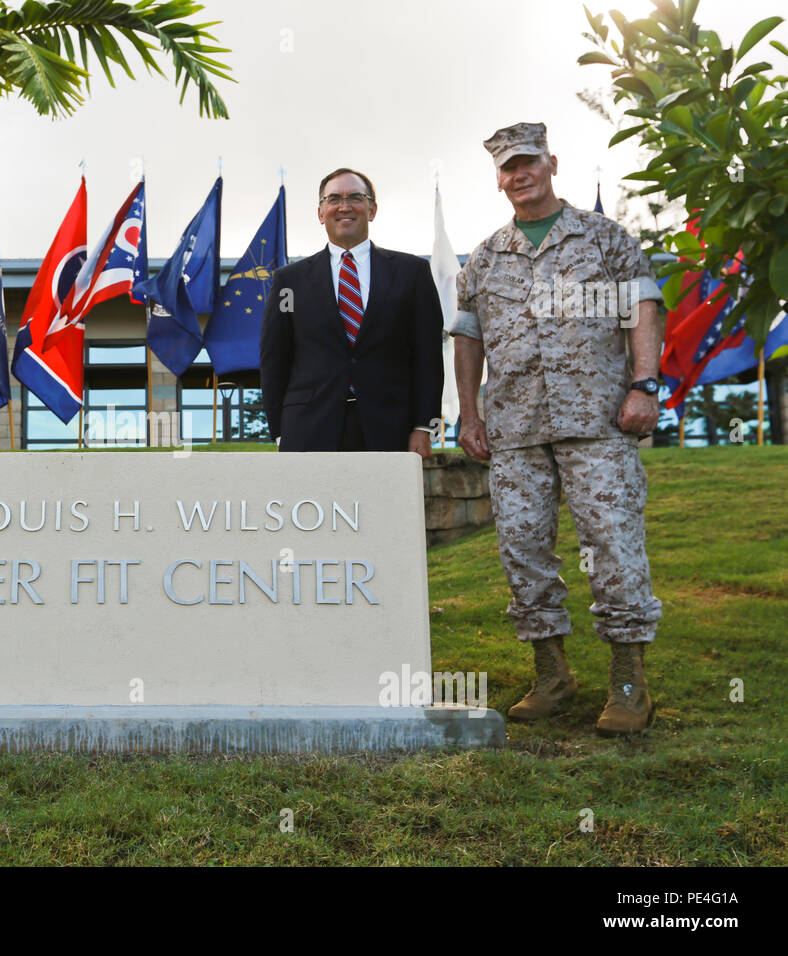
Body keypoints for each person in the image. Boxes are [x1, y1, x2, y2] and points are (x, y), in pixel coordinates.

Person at [452, 122, 665, 736]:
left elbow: (642, 308)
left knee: (613, 546)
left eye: (527, 163)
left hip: (598, 419)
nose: (518, 175)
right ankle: (552, 674)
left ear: (551, 163)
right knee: (521, 549)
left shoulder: (605, 239)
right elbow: (468, 340)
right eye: (507, 168)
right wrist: (470, 413)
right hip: (515, 426)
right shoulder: (486, 256)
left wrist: (643, 385)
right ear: (498, 179)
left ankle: (629, 684)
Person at [260, 168, 444, 454]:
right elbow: (275, 360)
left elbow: (428, 356)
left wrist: (424, 426)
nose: (344, 206)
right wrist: (280, 433)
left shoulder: (413, 274)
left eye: (355, 197)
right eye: (334, 199)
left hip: (391, 429)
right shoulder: (289, 282)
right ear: (321, 213)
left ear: (372, 209)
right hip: (307, 431)